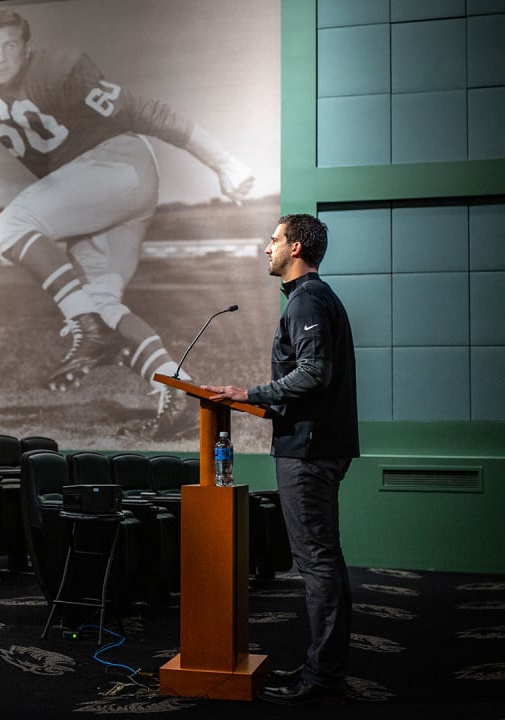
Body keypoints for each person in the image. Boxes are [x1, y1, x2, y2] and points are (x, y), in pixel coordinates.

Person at [0, 7, 254, 439]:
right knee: (102, 303)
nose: (1, 56)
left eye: (10, 45)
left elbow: (146, 112)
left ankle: (88, 330)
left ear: (26, 48)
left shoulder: (60, 69)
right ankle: (178, 393)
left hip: (118, 165)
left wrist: (225, 161)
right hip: (101, 195)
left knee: (8, 229)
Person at [200, 213, 359, 705]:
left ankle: (324, 678)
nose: (265, 248)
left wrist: (250, 392)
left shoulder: (308, 299)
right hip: (316, 447)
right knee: (321, 559)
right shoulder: (311, 299)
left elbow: (313, 373)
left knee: (317, 561)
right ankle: (322, 667)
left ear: (296, 248)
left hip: (309, 451)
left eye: (274, 240)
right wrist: (261, 398)